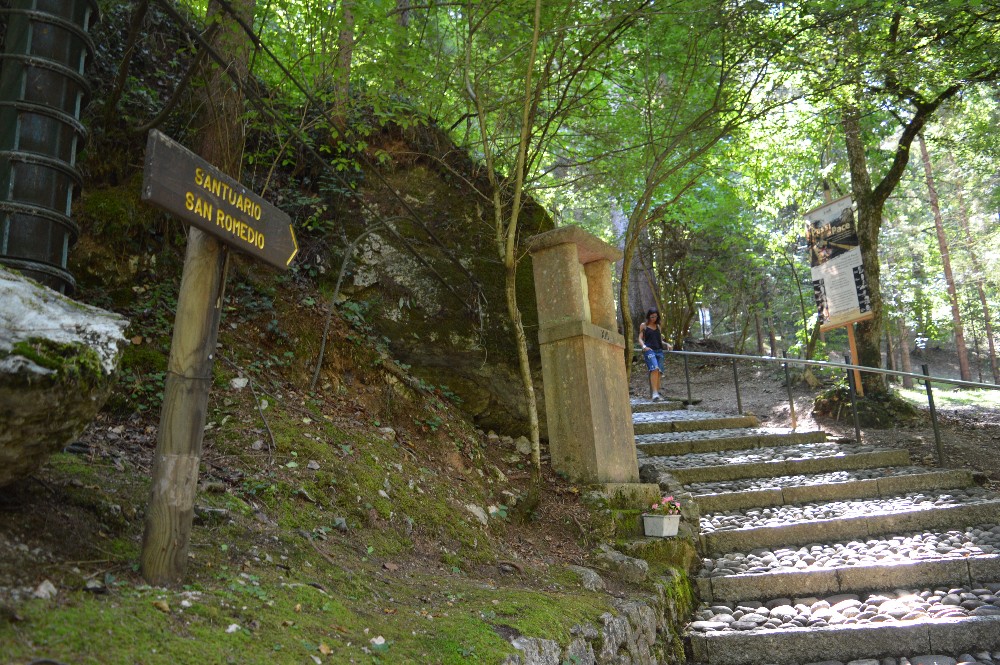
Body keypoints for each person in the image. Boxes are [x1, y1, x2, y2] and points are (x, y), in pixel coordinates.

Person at [638, 308, 670, 401]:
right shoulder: (644, 325)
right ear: (649, 316)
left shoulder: (658, 326)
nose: (654, 318)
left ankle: (657, 393)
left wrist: (666, 344)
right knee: (654, 368)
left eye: (655, 316)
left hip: (659, 350)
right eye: (652, 316)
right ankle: (654, 393)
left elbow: (659, 340)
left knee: (659, 372)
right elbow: (639, 338)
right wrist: (644, 346)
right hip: (649, 350)